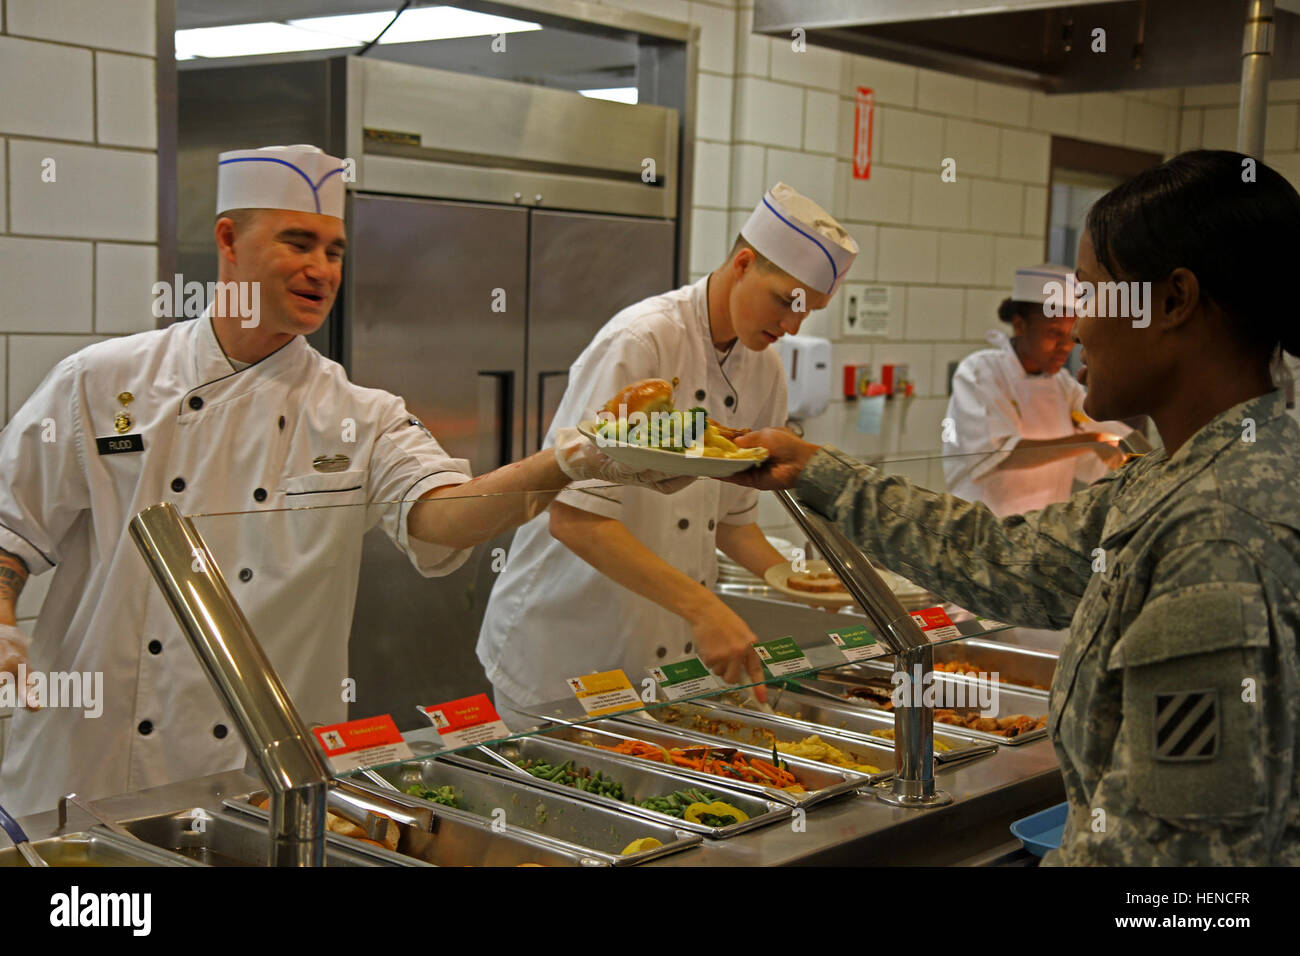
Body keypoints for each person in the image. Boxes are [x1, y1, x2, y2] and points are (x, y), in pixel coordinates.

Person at [0, 145, 679, 816]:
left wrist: (567, 462)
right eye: (299, 243)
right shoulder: (102, 383)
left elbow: (443, 516)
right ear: (228, 240)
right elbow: (10, 528)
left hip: (258, 785)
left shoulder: (357, 414)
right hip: (89, 775)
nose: (321, 269)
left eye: (335, 250)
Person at [727, 150, 1300, 865]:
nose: (1078, 330)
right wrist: (821, 472)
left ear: (1175, 301)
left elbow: (1174, 871)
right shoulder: (1176, 478)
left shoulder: (1220, 531)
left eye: (1091, 294)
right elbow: (1009, 560)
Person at [477, 184, 858, 724]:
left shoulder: (765, 367)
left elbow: (733, 524)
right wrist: (704, 609)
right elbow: (574, 519)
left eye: (808, 313)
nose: (792, 327)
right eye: (785, 302)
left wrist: (804, 583)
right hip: (564, 648)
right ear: (743, 264)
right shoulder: (643, 340)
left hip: (664, 659)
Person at [943, 263, 1130, 517]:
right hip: (983, 526)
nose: (1064, 347)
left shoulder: (1063, 387)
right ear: (1020, 326)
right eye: (1054, 333)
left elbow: (1101, 430)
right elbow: (1002, 454)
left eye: (1071, 336)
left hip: (1040, 529)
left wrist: (1133, 451)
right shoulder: (981, 372)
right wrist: (1089, 441)